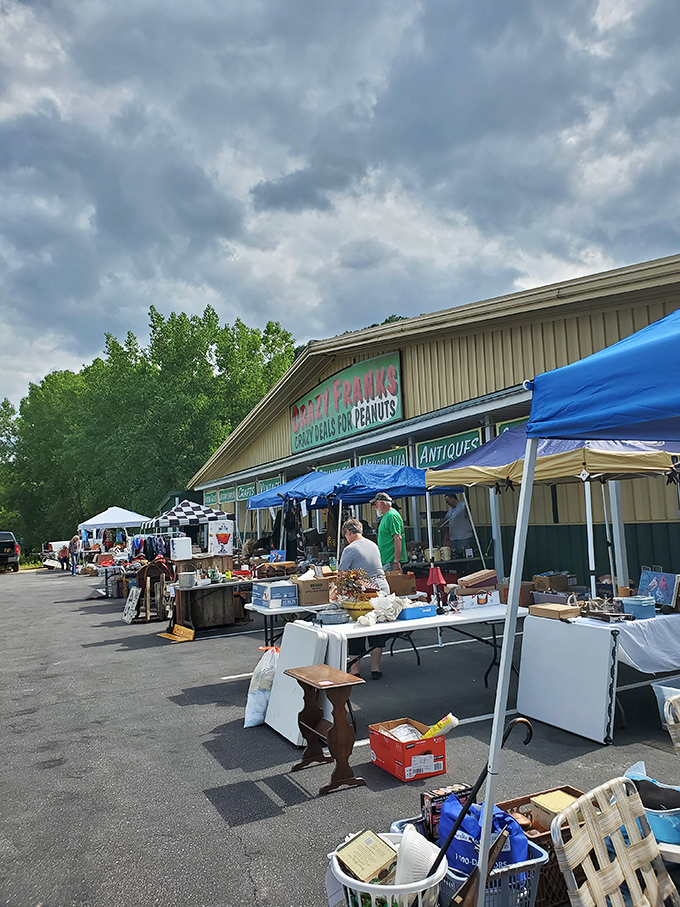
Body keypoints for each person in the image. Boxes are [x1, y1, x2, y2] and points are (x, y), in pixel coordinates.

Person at [338, 518, 389, 680]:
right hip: (382, 589)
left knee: (357, 630)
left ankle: (355, 671)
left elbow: (341, 574)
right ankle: (375, 669)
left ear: (348, 532)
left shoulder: (350, 549)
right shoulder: (373, 545)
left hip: (364, 591)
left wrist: (336, 594)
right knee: (376, 629)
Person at [372, 492, 406, 573]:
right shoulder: (386, 516)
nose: (374, 507)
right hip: (387, 561)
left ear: (382, 503)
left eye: (375, 504)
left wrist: (396, 561)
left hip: (391, 562)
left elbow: (397, 538)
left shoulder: (391, 515)